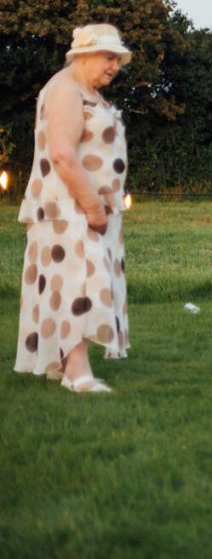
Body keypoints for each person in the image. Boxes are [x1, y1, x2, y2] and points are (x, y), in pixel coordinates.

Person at [14, 24, 133, 393]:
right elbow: (63, 155)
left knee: (78, 281)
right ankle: (76, 373)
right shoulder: (65, 89)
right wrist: (93, 206)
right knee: (76, 284)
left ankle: (65, 364)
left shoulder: (85, 90)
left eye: (118, 59)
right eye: (108, 57)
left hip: (86, 208)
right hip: (70, 208)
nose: (114, 65)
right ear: (82, 55)